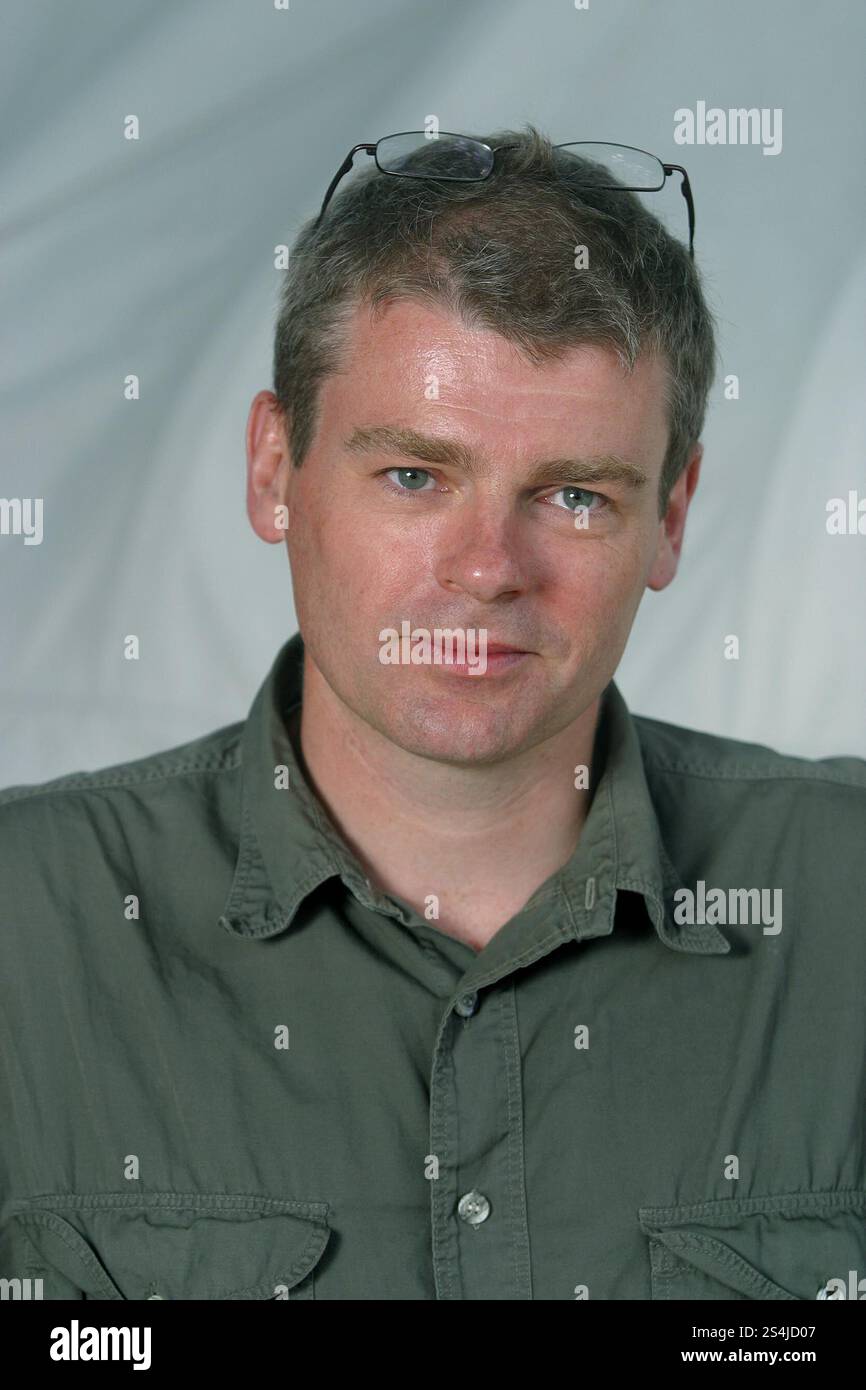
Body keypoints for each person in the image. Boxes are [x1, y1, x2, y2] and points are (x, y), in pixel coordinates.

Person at [2, 126, 865, 1302]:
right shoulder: (27, 929)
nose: (485, 568)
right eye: (414, 476)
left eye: (572, 495)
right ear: (273, 470)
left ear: (669, 516)